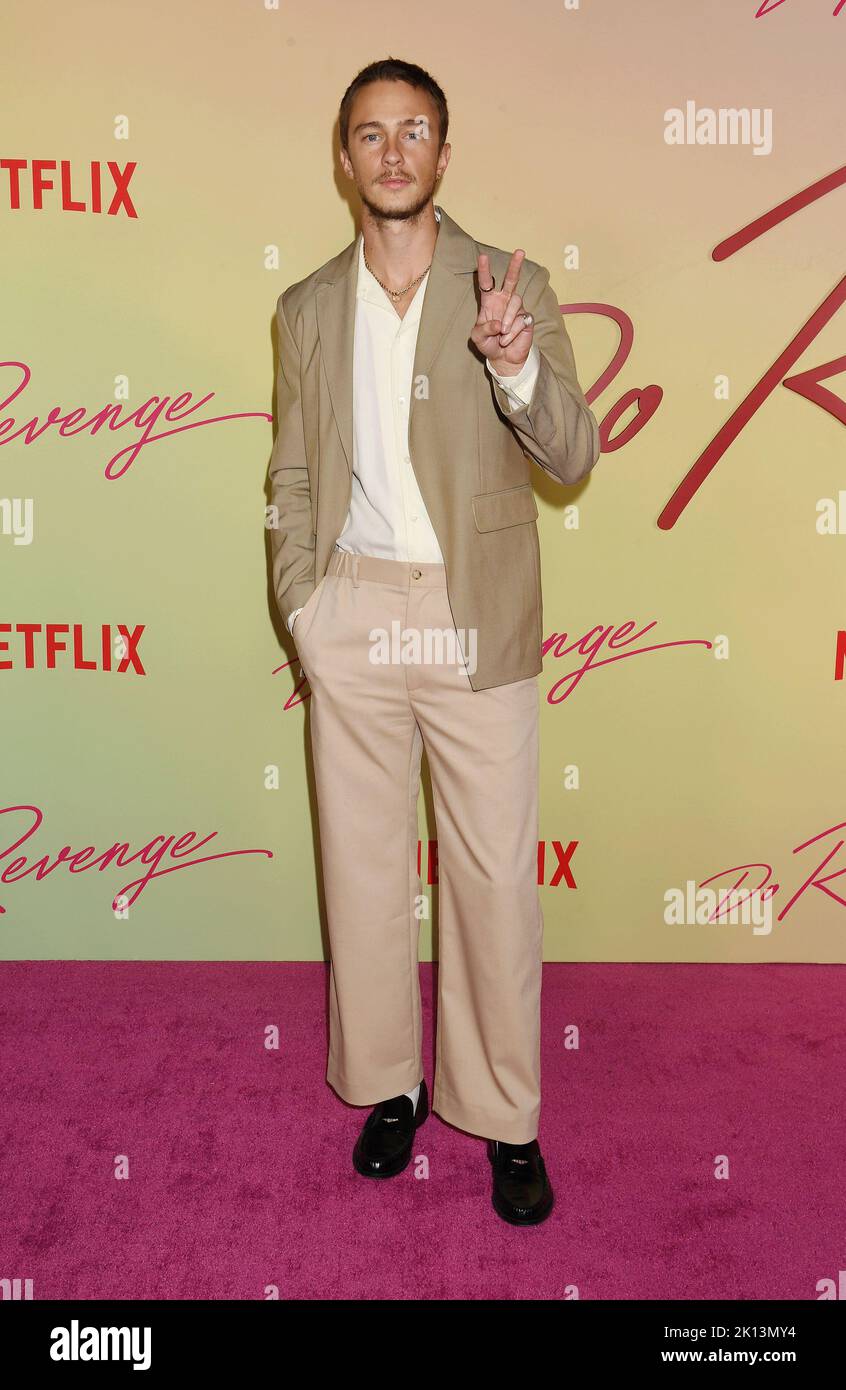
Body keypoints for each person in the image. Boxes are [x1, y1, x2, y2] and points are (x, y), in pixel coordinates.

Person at [267, 56, 600, 1224]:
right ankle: (390, 1088)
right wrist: (306, 605)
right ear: (345, 157)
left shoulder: (510, 284)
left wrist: (515, 366)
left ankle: (505, 1115)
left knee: (495, 880)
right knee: (360, 874)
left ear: (445, 156)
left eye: (415, 131)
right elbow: (295, 475)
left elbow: (573, 452)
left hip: (473, 615)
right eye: (371, 133)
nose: (393, 151)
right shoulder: (307, 306)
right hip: (353, 610)